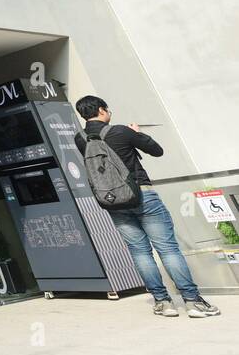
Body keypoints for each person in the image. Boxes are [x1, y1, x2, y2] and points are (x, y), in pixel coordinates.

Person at [74, 95, 220, 319]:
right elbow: (157, 150)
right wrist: (136, 132)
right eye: (108, 109)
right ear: (102, 110)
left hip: (113, 202)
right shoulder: (121, 131)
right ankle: (192, 302)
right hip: (142, 195)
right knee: (168, 249)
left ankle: (162, 302)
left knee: (140, 252)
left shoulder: (80, 138)